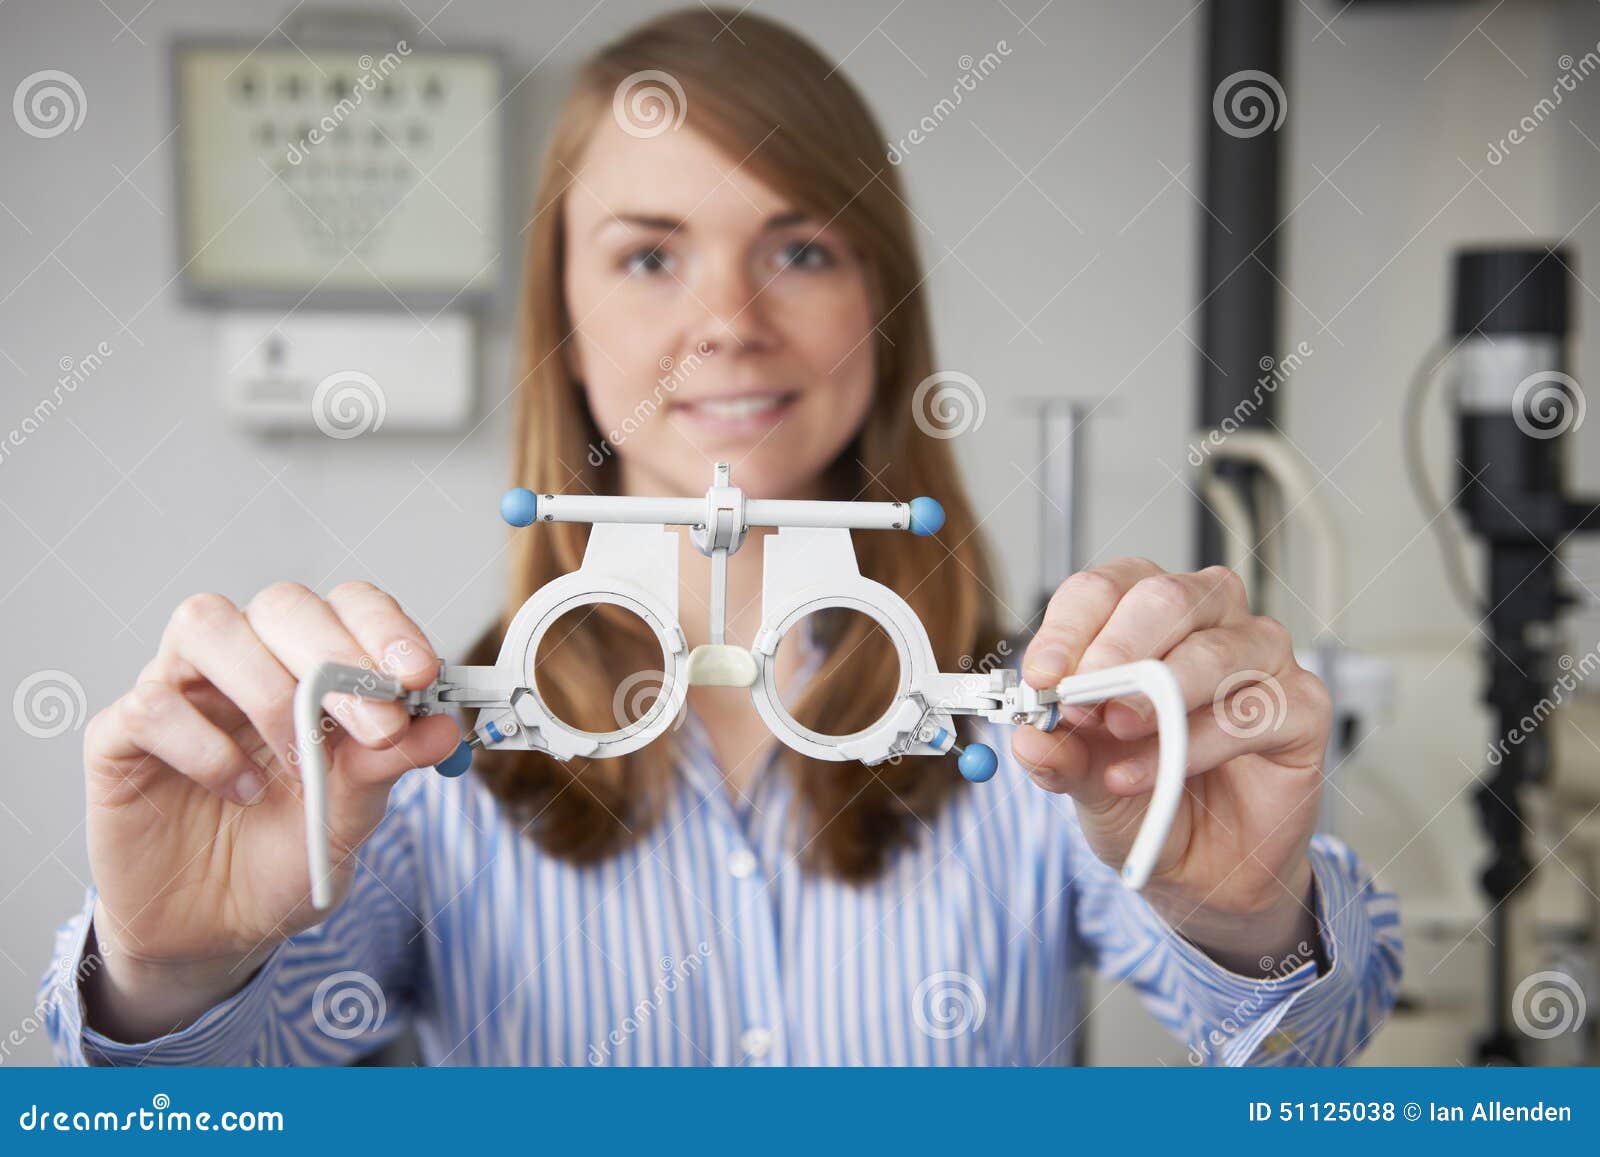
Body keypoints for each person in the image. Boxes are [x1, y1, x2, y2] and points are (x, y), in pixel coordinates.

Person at [41, 6, 1400, 1067]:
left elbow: (1307, 1060)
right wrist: (167, 976)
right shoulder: (410, 774)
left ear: (882, 300)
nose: (728, 321)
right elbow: (184, 1114)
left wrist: (1249, 919)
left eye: (800, 248)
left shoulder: (1056, 750)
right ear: (561, 320)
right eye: (649, 254)